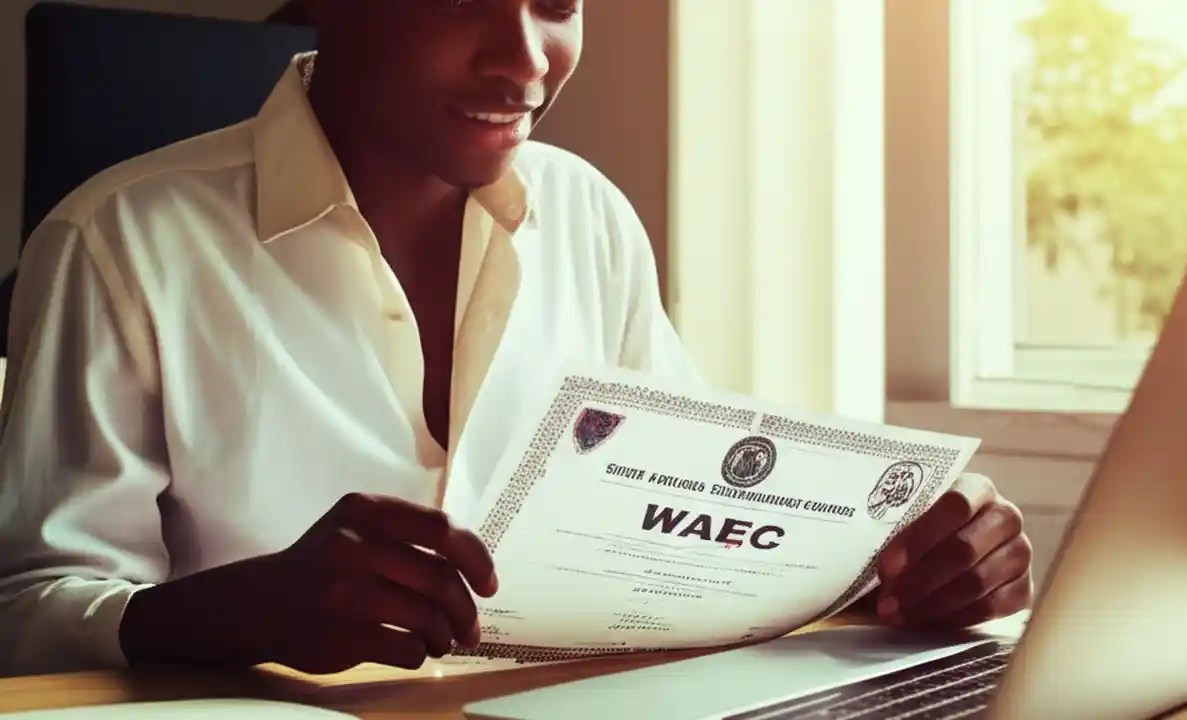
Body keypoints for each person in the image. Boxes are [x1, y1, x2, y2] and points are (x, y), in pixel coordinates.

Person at [0, 0, 1032, 677]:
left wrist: (904, 566)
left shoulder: (587, 216)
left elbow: (687, 523)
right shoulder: (118, 241)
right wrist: (245, 613)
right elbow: (29, 615)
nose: (526, 60)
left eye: (558, 3)